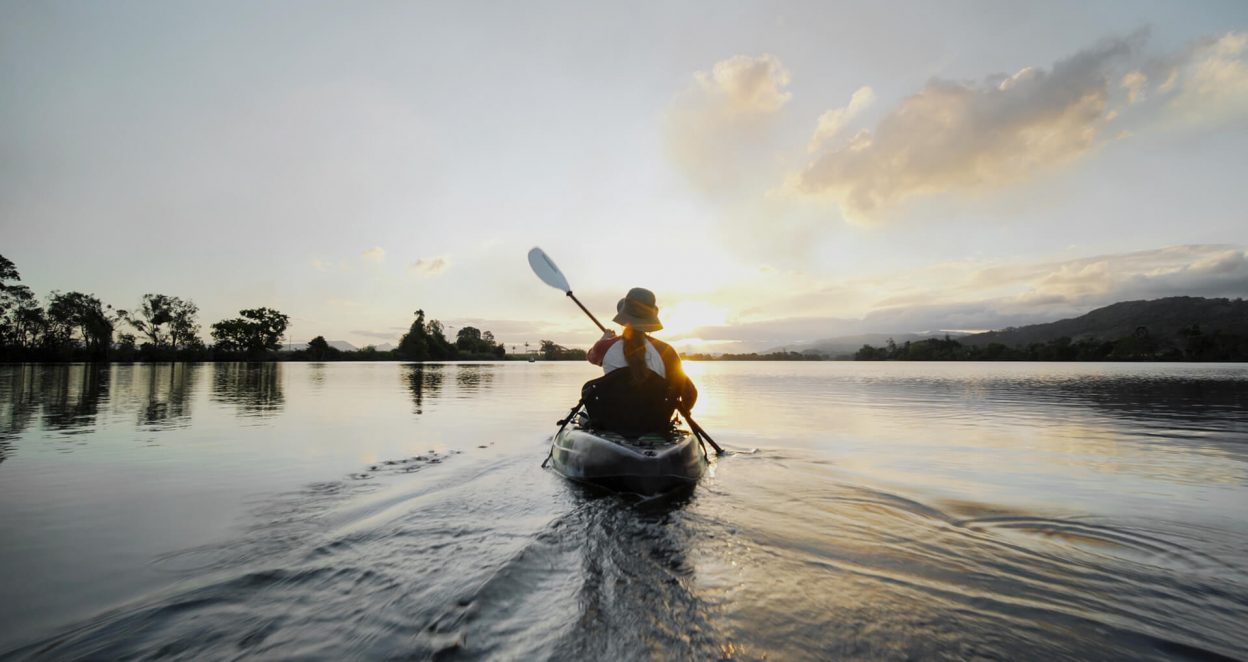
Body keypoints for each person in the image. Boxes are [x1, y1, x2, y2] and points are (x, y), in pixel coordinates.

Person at [581, 288, 697, 434]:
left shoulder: (604, 346)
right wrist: (679, 411)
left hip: (612, 422)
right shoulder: (666, 351)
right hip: (654, 424)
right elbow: (689, 394)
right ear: (650, 320)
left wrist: (604, 339)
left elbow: (590, 356)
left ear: (624, 318)